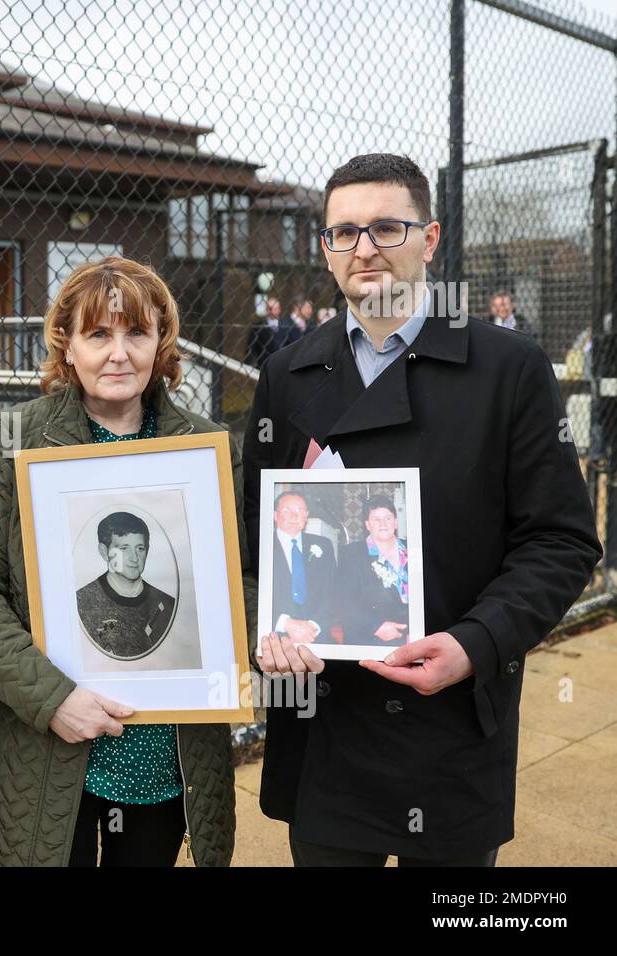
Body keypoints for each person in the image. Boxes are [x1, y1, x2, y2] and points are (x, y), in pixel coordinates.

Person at [244, 153, 600, 866]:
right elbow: (254, 538)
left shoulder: (509, 368)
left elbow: (561, 540)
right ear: (325, 248)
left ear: (430, 239)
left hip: (452, 723)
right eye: (343, 232)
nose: (363, 248)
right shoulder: (286, 375)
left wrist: (475, 643)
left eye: (385, 227)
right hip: (326, 724)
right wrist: (268, 627)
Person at [0, 256, 258, 867]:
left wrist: (257, 635)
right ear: (66, 343)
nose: (119, 353)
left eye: (137, 332)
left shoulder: (207, 449)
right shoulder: (13, 440)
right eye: (98, 334)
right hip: (42, 734)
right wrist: (51, 698)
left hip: (165, 740)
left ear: (162, 341)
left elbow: (233, 580)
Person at [74, 511, 176, 660]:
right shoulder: (80, 602)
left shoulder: (167, 605)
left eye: (140, 548)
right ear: (104, 552)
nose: (134, 558)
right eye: (124, 548)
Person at [336, 496, 410, 646]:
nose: (383, 524)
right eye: (376, 519)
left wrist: (417, 632)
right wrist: (375, 627)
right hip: (371, 638)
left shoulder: (413, 548)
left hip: (413, 638)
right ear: (368, 525)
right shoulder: (351, 553)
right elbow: (344, 600)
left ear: (395, 522)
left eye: (388, 518)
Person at [269, 491, 337, 643]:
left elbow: (333, 591)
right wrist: (285, 624)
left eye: (299, 510)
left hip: (317, 635)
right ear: (275, 515)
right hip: (275, 636)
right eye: (287, 510)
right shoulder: (262, 545)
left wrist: (313, 627)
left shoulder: (323, 545)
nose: (294, 515)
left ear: (306, 516)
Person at [245, 296, 281, 367]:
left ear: (279, 309)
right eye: (270, 308)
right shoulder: (257, 327)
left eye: (275, 308)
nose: (272, 311)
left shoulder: (286, 325)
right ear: (266, 309)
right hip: (263, 365)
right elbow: (251, 348)